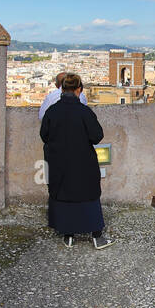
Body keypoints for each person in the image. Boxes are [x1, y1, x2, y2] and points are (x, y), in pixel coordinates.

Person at [38, 71, 107, 248]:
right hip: (83, 161)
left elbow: (44, 135)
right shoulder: (84, 112)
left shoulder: (52, 111)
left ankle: (68, 234)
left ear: (61, 89)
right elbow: (97, 136)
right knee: (88, 195)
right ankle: (96, 236)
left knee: (63, 195)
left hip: (58, 162)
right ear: (79, 90)